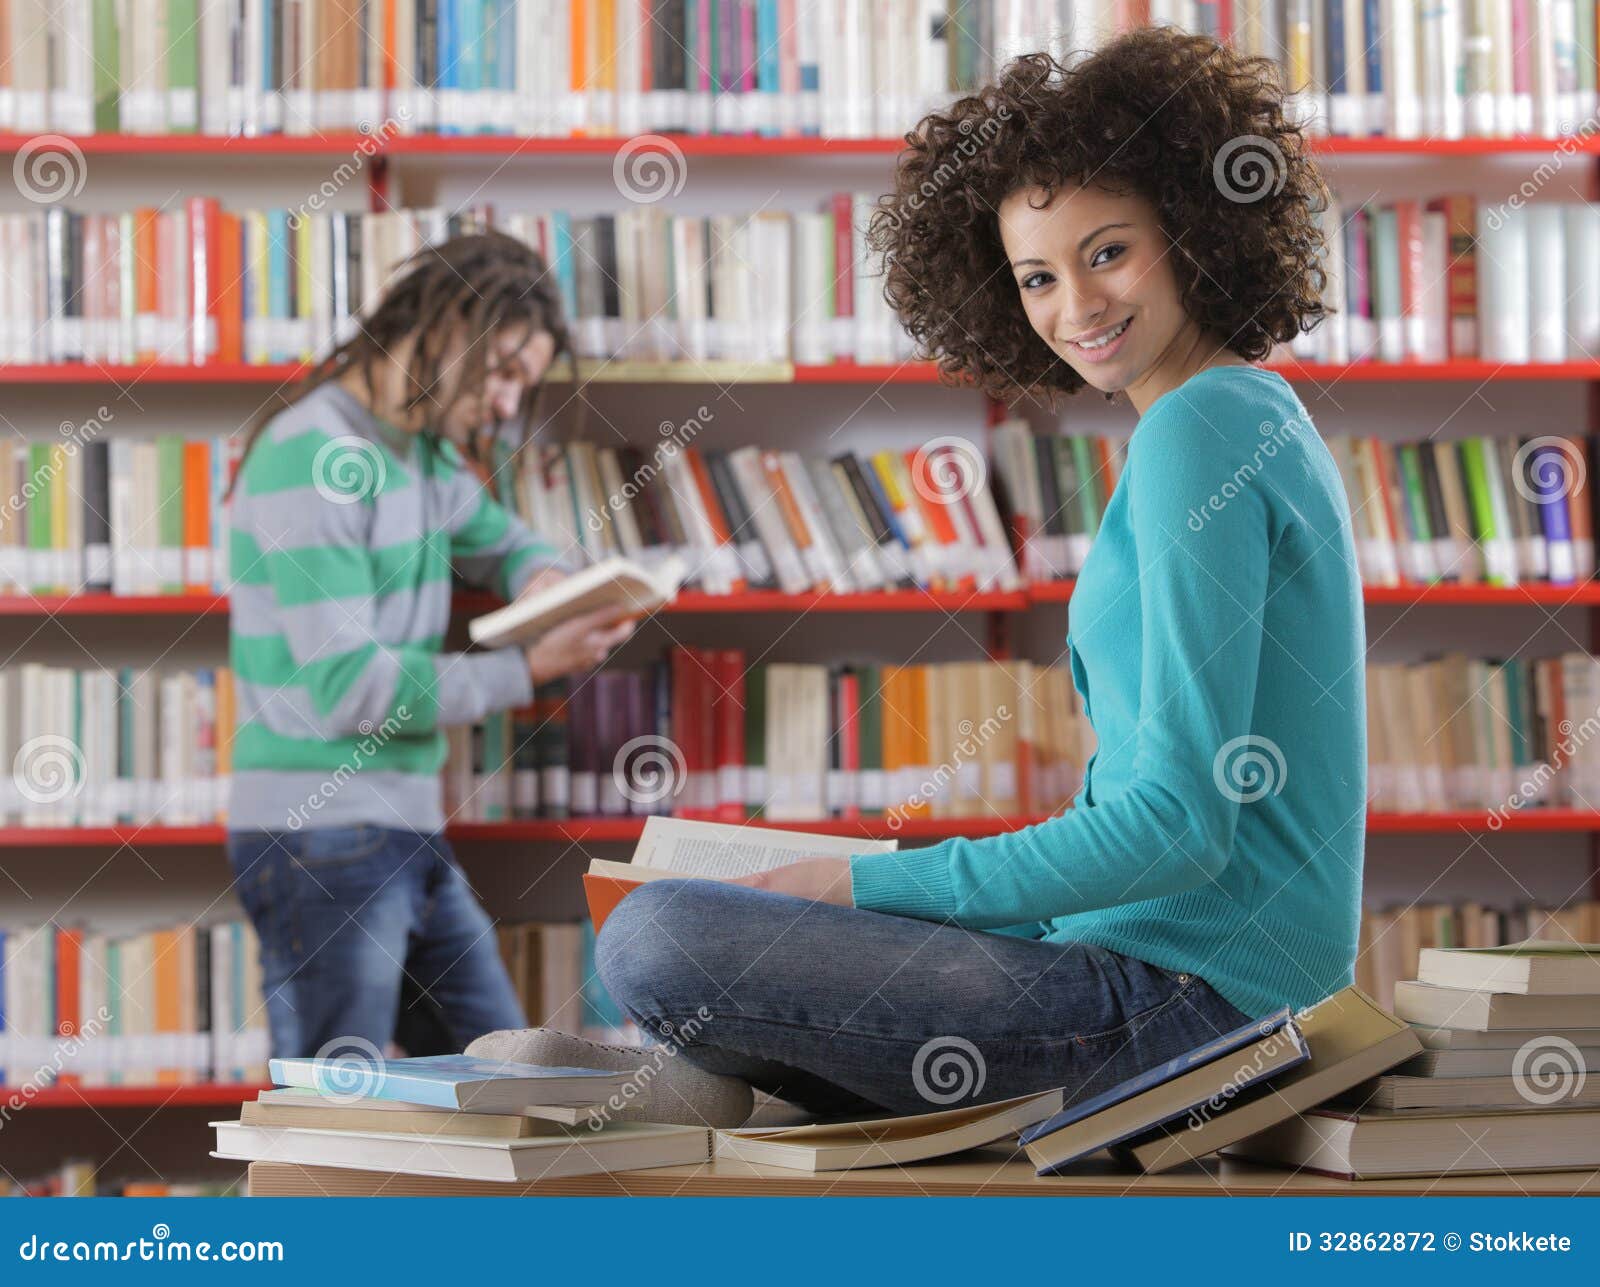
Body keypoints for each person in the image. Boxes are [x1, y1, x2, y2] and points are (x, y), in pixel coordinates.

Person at [473, 28, 1364, 1126]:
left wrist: (853, 885)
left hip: (1193, 1012)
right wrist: (896, 903)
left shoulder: (1199, 432)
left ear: (1190, 230)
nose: (1073, 306)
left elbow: (1176, 828)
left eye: (1108, 252)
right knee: (696, 918)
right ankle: (742, 1090)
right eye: (1036, 276)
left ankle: (724, 1088)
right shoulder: (1244, 415)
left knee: (660, 935)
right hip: (1166, 979)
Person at [226, 232, 635, 1061]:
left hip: (401, 828)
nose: (509, 406)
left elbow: (506, 540)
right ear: (450, 333)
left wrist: (544, 579)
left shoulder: (422, 458)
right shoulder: (317, 455)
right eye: (508, 372)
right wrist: (528, 666)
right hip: (321, 835)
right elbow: (349, 689)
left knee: (507, 1081)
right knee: (333, 1132)